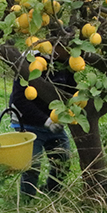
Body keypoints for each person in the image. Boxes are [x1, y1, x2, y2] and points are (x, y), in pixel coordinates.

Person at [9, 48, 75, 197]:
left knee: (63, 161)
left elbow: (72, 91)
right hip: (28, 123)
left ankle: (50, 194)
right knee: (32, 166)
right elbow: (19, 100)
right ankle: (27, 201)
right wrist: (46, 121)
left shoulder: (66, 63)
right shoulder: (30, 61)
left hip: (54, 122)